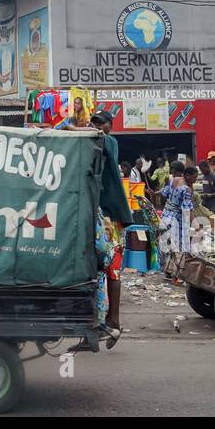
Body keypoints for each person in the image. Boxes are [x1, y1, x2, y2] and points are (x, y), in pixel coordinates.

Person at [88, 109, 135, 342]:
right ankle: (97, 321)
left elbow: (102, 140)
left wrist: (75, 129)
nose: (95, 126)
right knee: (95, 269)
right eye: (92, 122)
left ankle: (114, 321)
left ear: (110, 125)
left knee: (112, 268)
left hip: (112, 218)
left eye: (99, 123)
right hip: (97, 215)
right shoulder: (93, 149)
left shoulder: (110, 143)